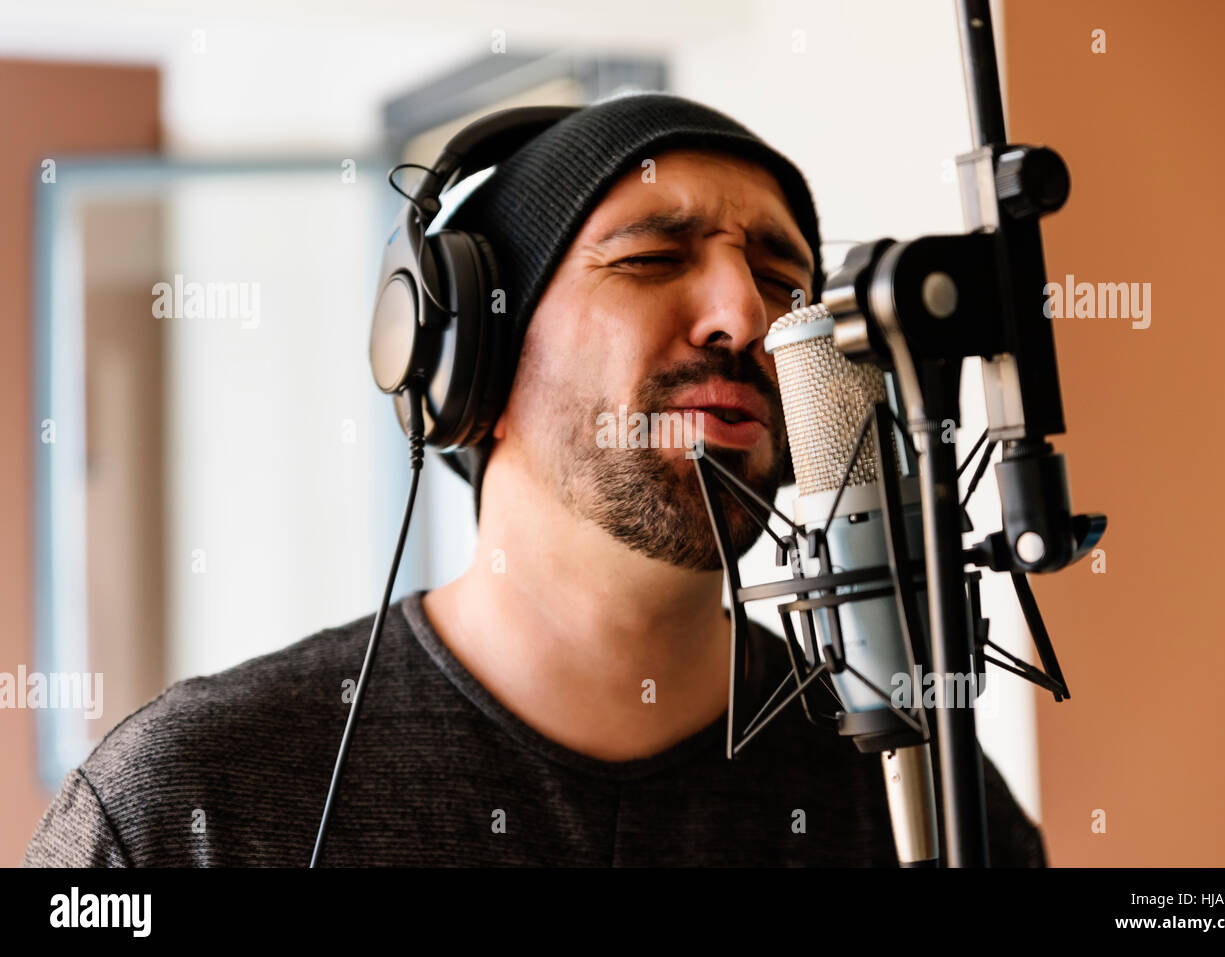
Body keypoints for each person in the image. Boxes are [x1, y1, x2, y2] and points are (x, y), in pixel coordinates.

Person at [24, 93, 1047, 867]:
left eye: (785, 280)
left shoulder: (922, 801)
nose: (748, 316)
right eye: (652, 256)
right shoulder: (191, 806)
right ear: (475, 364)